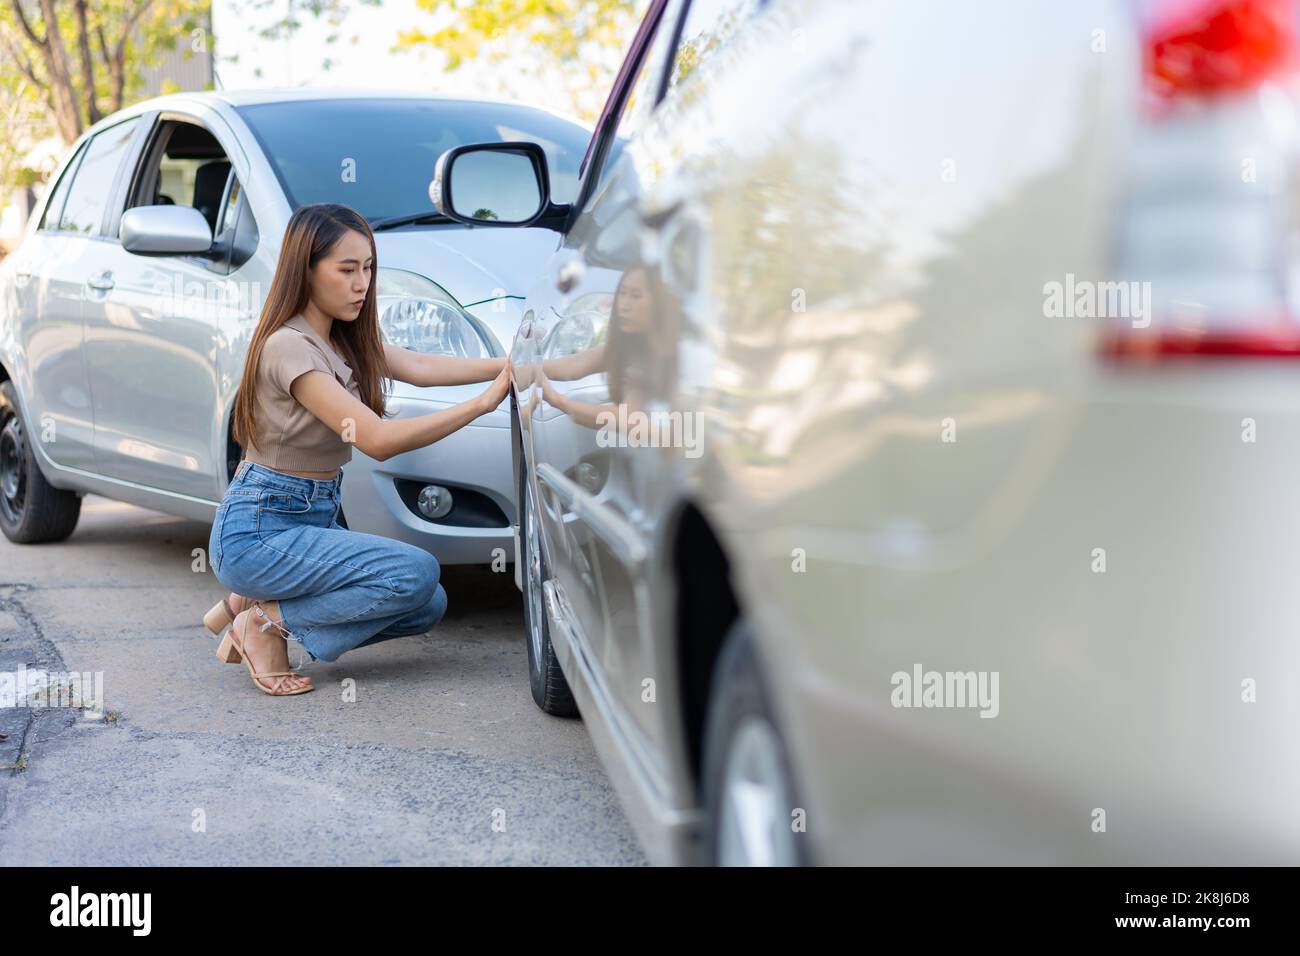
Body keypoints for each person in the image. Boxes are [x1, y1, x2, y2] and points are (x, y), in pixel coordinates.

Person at [202, 202, 510, 696]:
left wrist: (515, 367)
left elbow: (422, 366)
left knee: (426, 603)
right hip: (261, 527)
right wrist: (481, 406)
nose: (361, 283)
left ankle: (252, 607)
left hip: (311, 518)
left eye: (368, 268)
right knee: (416, 572)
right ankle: (263, 623)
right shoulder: (288, 347)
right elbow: (377, 440)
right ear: (306, 269)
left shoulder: (343, 339)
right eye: (346, 269)